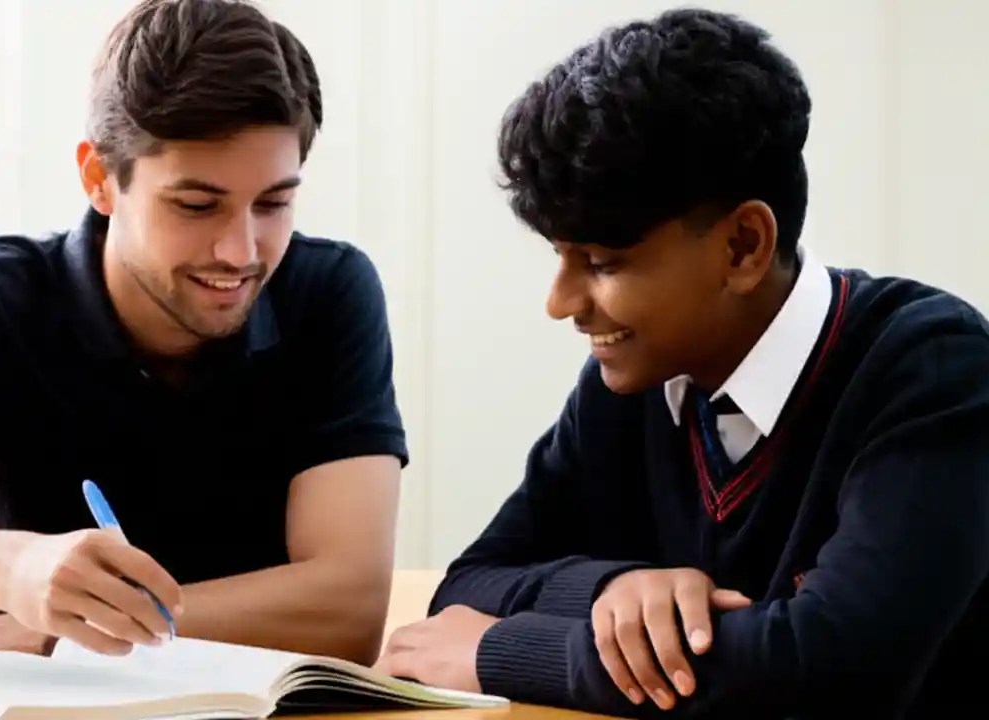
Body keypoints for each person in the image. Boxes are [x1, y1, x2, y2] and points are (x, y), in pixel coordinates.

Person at [375, 7, 989, 718]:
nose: (560, 302)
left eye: (603, 263)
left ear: (742, 247)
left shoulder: (938, 372)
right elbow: (470, 584)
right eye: (560, 257)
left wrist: (504, 653)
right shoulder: (633, 381)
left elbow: (835, 664)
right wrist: (614, 591)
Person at [0, 0, 406, 668]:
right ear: (100, 178)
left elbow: (348, 612)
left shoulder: (329, 292)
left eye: (274, 204)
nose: (240, 250)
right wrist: (12, 570)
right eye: (196, 205)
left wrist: (75, 634)